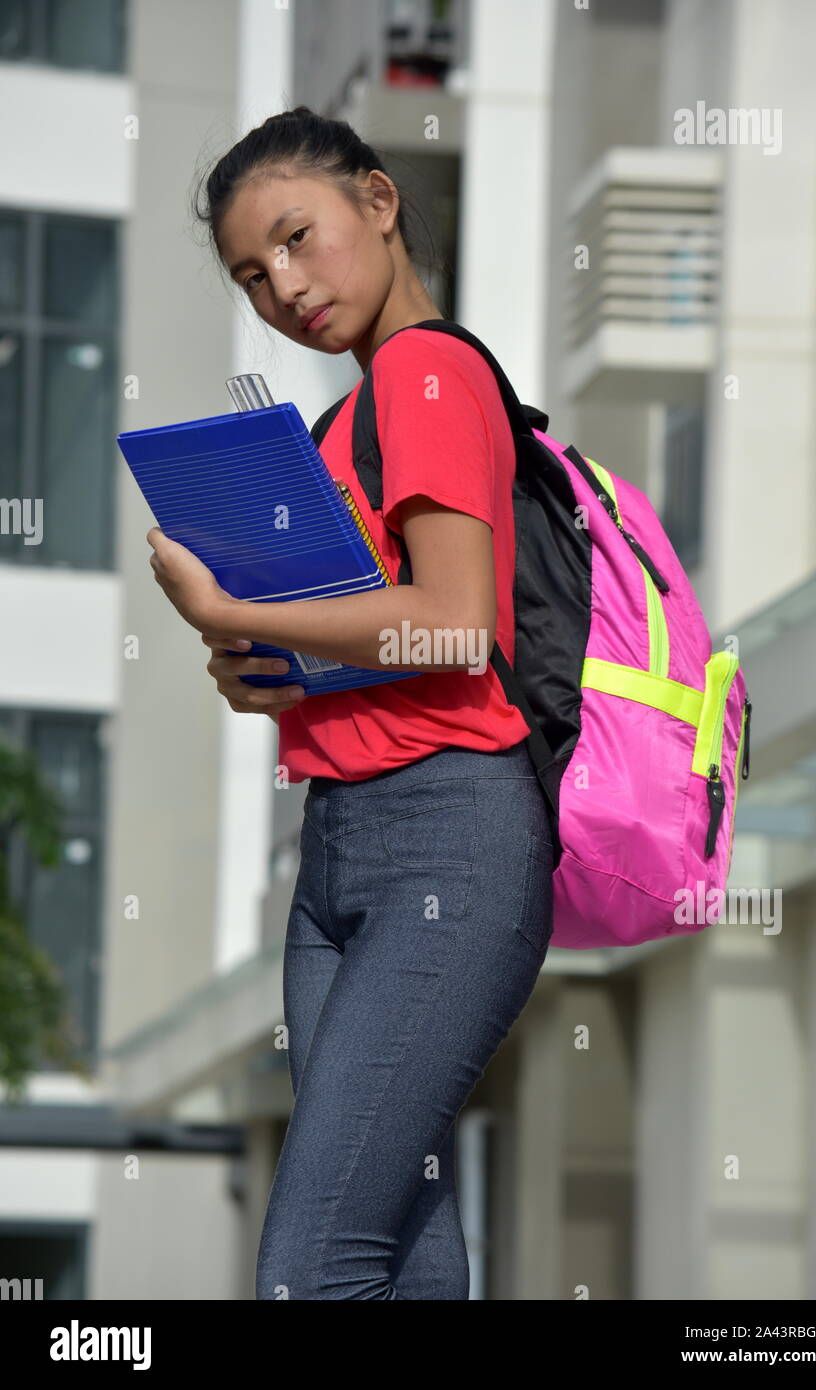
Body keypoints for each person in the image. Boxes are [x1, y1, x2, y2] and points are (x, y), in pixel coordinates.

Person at [146, 106, 555, 1300]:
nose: (282, 288)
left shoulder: (424, 369)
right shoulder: (342, 422)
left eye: (295, 238)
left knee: (310, 1270)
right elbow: (378, 642)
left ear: (379, 202)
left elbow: (453, 621)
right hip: (339, 854)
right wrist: (259, 672)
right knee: (403, 1264)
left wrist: (234, 613)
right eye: (250, 275)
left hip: (447, 834)